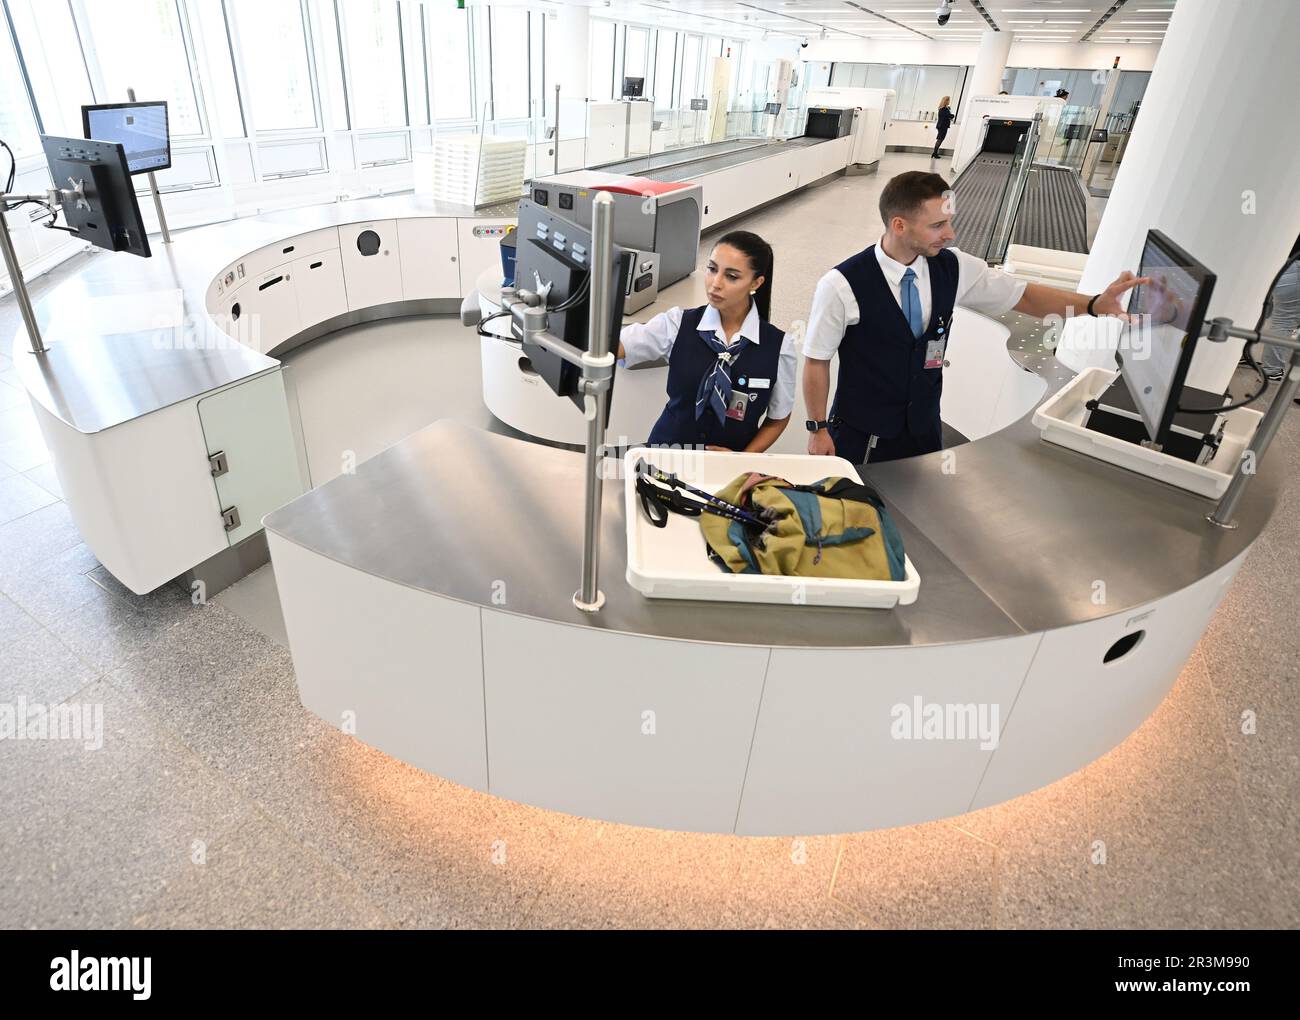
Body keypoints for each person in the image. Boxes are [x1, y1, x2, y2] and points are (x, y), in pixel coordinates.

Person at [801, 171, 1149, 465]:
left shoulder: (952, 267)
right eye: (937, 225)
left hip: (923, 430)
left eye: (949, 222)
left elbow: (1024, 295)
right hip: (862, 434)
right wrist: (817, 429)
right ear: (899, 225)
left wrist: (1093, 305)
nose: (950, 234)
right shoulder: (841, 285)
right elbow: (817, 360)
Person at [618, 230, 796, 452]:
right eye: (712, 269)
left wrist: (742, 459)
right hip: (666, 455)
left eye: (732, 276)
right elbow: (619, 345)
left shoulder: (780, 347)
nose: (715, 283)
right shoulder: (677, 323)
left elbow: (778, 418)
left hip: (728, 473)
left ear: (756, 283)